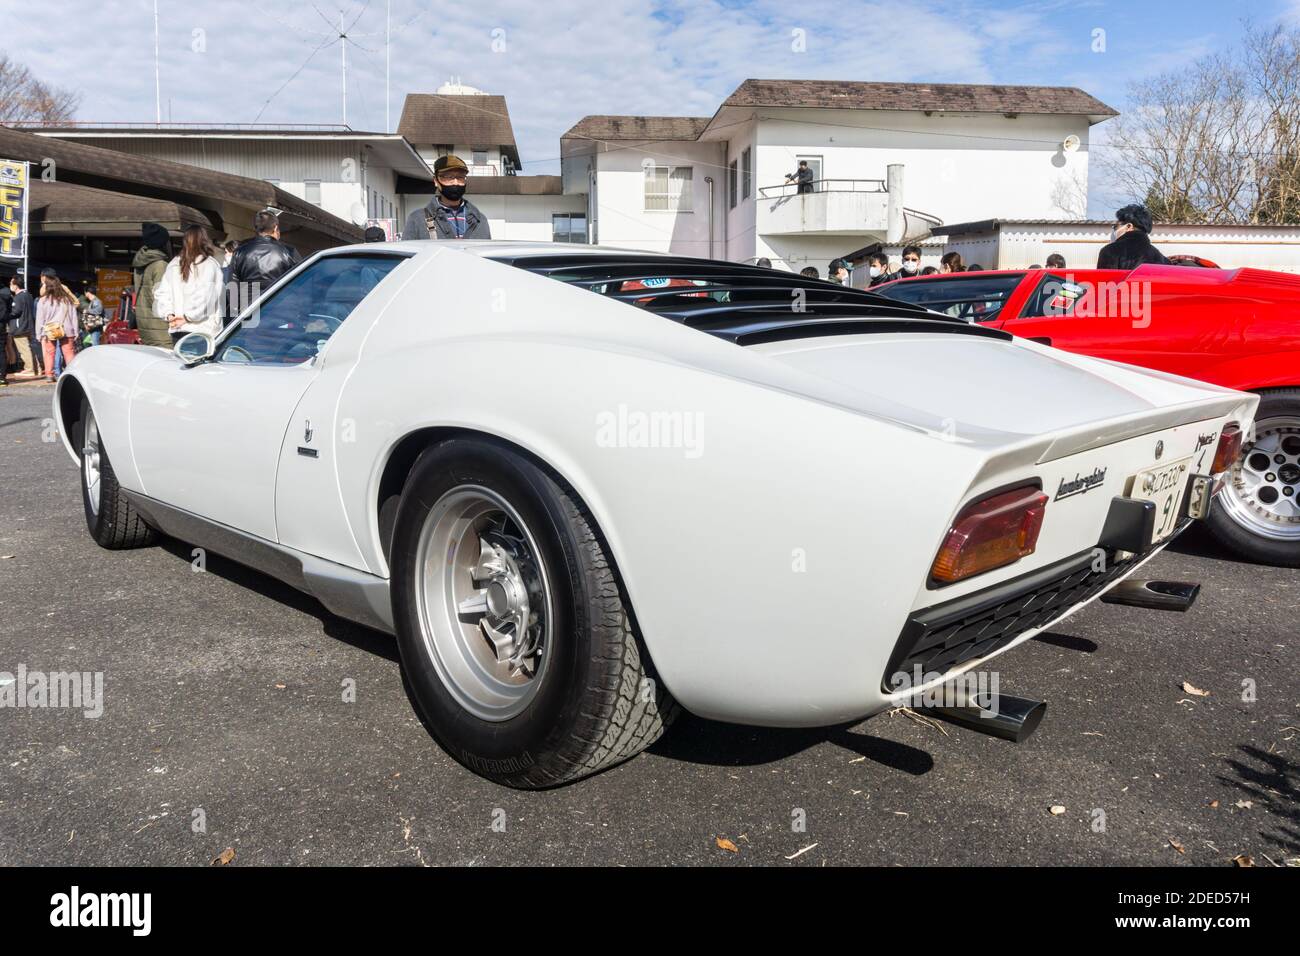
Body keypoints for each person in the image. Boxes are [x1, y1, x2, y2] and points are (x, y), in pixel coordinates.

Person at [154, 225, 225, 343]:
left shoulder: (174, 264)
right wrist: (187, 317)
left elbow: (162, 293)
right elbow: (207, 298)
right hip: (203, 330)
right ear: (205, 240)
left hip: (177, 329)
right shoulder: (209, 264)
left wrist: (169, 315)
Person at [227, 210, 302, 320]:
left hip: (250, 315)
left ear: (256, 229)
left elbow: (232, 288)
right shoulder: (289, 252)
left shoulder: (240, 252)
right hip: (281, 315)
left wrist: (240, 314)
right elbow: (301, 285)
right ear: (275, 228)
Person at [402, 155, 491, 240]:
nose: (455, 182)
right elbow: (406, 253)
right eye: (448, 177)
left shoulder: (480, 220)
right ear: (436, 181)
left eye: (460, 177)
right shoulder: (417, 219)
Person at [132, 222, 173, 347]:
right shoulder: (160, 265)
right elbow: (163, 299)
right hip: (160, 328)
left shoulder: (141, 262)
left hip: (145, 324)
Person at [36, 268, 77, 383]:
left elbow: (40, 319)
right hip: (67, 329)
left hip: (49, 330)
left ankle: (49, 375)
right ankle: (72, 373)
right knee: (68, 352)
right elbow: (73, 316)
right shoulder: (67, 300)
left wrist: (39, 334)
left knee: (50, 352)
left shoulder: (43, 301)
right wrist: (76, 331)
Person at [1096, 204, 1168, 270]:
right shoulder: (1159, 256)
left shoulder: (1109, 251)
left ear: (1128, 226)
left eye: (1115, 227)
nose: (1114, 230)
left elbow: (1104, 283)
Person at [9, 276, 40, 377]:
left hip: (19, 327)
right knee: (30, 348)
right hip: (29, 325)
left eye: (11, 284)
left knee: (24, 350)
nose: (10, 286)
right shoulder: (28, 295)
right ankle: (37, 368)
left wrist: (6, 313)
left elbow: (15, 312)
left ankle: (29, 369)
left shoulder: (18, 297)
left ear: (16, 286)